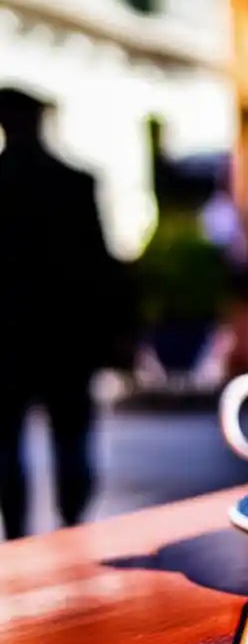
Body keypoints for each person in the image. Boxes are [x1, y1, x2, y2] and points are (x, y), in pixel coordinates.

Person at [0, 87, 134, 538]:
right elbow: (101, 264)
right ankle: (72, 526)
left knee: (8, 444)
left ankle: (17, 533)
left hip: (11, 338)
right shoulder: (75, 182)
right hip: (67, 337)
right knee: (71, 438)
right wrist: (120, 331)